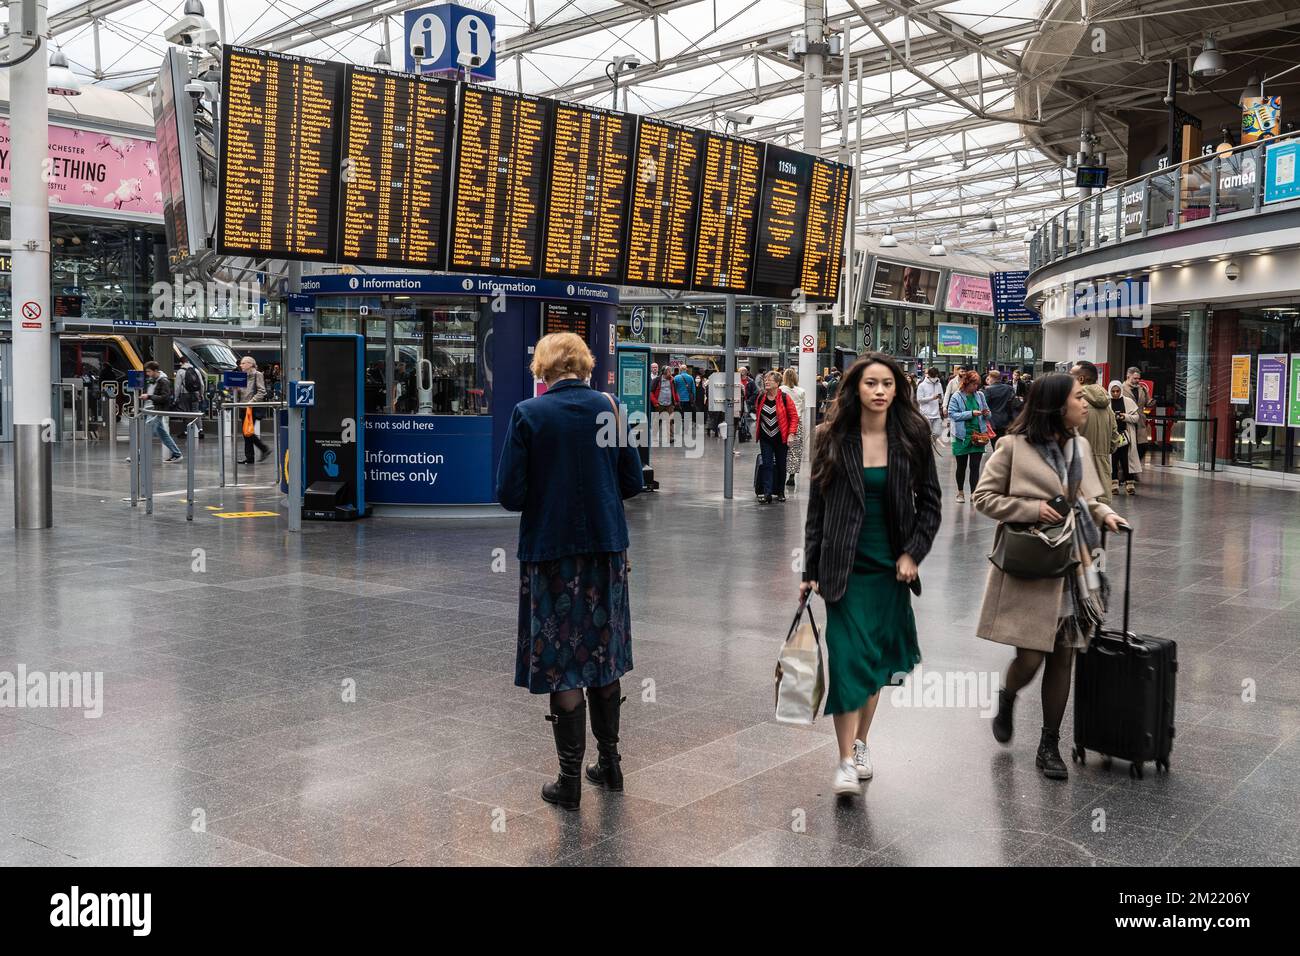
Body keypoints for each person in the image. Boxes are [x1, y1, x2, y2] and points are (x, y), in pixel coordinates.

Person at [496, 332, 643, 810]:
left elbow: (510, 494)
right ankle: (611, 764)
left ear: (543, 368)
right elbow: (632, 481)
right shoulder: (610, 408)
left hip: (551, 553)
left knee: (562, 659)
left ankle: (569, 781)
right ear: (584, 364)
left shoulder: (529, 414)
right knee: (604, 651)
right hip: (605, 550)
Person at [801, 353, 942, 795]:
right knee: (848, 659)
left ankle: (861, 743)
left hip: (890, 569)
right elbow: (817, 508)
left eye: (887, 383)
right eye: (870, 384)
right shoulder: (831, 436)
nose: (879, 391)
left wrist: (912, 554)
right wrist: (809, 568)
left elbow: (932, 505)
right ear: (855, 390)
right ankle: (844, 760)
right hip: (843, 568)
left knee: (874, 662)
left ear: (897, 389)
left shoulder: (913, 437)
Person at [975, 373, 1126, 780]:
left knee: (1063, 655)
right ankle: (1008, 696)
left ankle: (1049, 745)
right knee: (1030, 657)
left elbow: (1087, 499)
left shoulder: (1079, 446)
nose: (1084, 404)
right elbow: (983, 498)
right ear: (1057, 406)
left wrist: (1105, 514)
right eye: (1078, 398)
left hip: (1073, 566)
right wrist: (1033, 510)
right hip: (1033, 564)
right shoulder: (1012, 447)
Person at [1070, 361, 1118, 504]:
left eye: (1071, 375)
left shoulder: (1074, 402)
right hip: (1102, 472)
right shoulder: (1108, 406)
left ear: (1081, 379)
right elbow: (1114, 437)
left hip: (1079, 472)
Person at [755, 371, 799, 503]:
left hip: (781, 437)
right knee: (767, 464)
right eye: (765, 380)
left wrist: (791, 434)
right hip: (765, 437)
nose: (766, 382)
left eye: (770, 380)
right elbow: (758, 413)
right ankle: (767, 493)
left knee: (781, 465)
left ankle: (780, 491)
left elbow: (794, 417)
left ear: (777, 383)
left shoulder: (785, 398)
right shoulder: (761, 396)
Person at [948, 370, 990, 503]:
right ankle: (960, 492)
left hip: (978, 436)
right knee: (961, 466)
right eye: (974, 384)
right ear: (966, 383)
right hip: (961, 436)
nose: (976, 387)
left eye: (977, 384)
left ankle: (974, 494)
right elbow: (952, 414)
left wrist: (986, 413)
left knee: (975, 466)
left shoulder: (980, 395)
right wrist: (971, 413)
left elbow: (988, 415)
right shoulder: (956, 396)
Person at [142, 361, 183, 463]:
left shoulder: (163, 381)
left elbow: (165, 398)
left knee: (148, 431)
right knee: (162, 433)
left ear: (155, 371)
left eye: (149, 371)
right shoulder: (153, 380)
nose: (147, 374)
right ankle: (177, 454)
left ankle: (138, 456)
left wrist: (149, 396)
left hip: (158, 410)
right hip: (152, 409)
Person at [234, 355, 272, 465]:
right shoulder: (243, 376)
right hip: (243, 407)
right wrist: (235, 389)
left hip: (252, 408)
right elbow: (242, 391)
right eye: (241, 363)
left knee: (247, 432)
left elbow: (262, 391)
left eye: (243, 363)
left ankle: (263, 449)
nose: (241, 365)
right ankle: (251, 457)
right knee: (246, 433)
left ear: (250, 364)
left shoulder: (257, 375)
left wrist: (251, 402)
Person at [1109, 380, 1142, 495]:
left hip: (1126, 435)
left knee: (1126, 460)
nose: (1115, 393)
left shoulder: (1128, 401)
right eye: (1113, 391)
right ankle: (1114, 485)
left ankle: (1130, 484)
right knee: (1113, 460)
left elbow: (1136, 417)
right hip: (1112, 436)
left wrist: (1125, 417)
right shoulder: (1107, 402)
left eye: (1117, 391)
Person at [1122, 367, 1152, 475]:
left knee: (1142, 447)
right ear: (1128, 376)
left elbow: (1148, 402)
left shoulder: (1142, 389)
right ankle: (1127, 472)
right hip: (1127, 421)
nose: (1137, 381)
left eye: (1139, 378)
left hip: (1140, 422)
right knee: (1127, 448)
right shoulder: (1121, 388)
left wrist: (1151, 403)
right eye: (1135, 378)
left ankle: (1132, 469)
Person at [781, 368, 807, 490]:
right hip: (797, 422)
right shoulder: (801, 391)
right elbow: (803, 407)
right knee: (795, 449)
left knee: (781, 446)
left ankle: (780, 471)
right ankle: (791, 475)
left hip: (783, 421)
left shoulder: (781, 390)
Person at [174, 356, 206, 439]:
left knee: (186, 412)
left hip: (184, 394)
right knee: (196, 412)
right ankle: (200, 430)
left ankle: (185, 432)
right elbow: (201, 384)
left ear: (181, 363)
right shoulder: (196, 370)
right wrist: (201, 394)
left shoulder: (180, 371)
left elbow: (177, 386)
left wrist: (176, 397)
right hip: (195, 394)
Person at [983, 369, 1016, 446]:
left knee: (995, 444)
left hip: (993, 421)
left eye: (989, 378)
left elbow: (984, 405)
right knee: (1005, 444)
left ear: (992, 378)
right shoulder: (1009, 388)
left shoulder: (988, 390)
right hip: (1007, 420)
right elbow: (1013, 403)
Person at [916, 367, 944, 451]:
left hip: (936, 414)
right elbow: (919, 400)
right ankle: (926, 448)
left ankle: (930, 445)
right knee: (925, 434)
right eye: (933, 376)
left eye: (936, 376)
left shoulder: (939, 384)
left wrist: (940, 399)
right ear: (929, 376)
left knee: (937, 432)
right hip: (925, 413)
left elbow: (941, 397)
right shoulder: (922, 385)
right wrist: (932, 398)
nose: (935, 378)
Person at [649, 366, 678, 445]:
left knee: (670, 421)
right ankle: (654, 437)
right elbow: (651, 392)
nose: (670, 373)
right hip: (659, 404)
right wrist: (655, 402)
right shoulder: (657, 380)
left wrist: (676, 401)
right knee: (657, 421)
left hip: (669, 404)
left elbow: (674, 391)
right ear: (664, 372)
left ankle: (670, 437)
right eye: (669, 371)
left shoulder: (672, 380)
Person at [673, 364, 697, 438]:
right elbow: (693, 390)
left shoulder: (676, 378)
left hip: (678, 400)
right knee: (687, 415)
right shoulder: (690, 378)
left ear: (680, 370)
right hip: (687, 400)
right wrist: (694, 399)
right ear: (686, 369)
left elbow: (674, 389)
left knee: (678, 415)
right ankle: (686, 431)